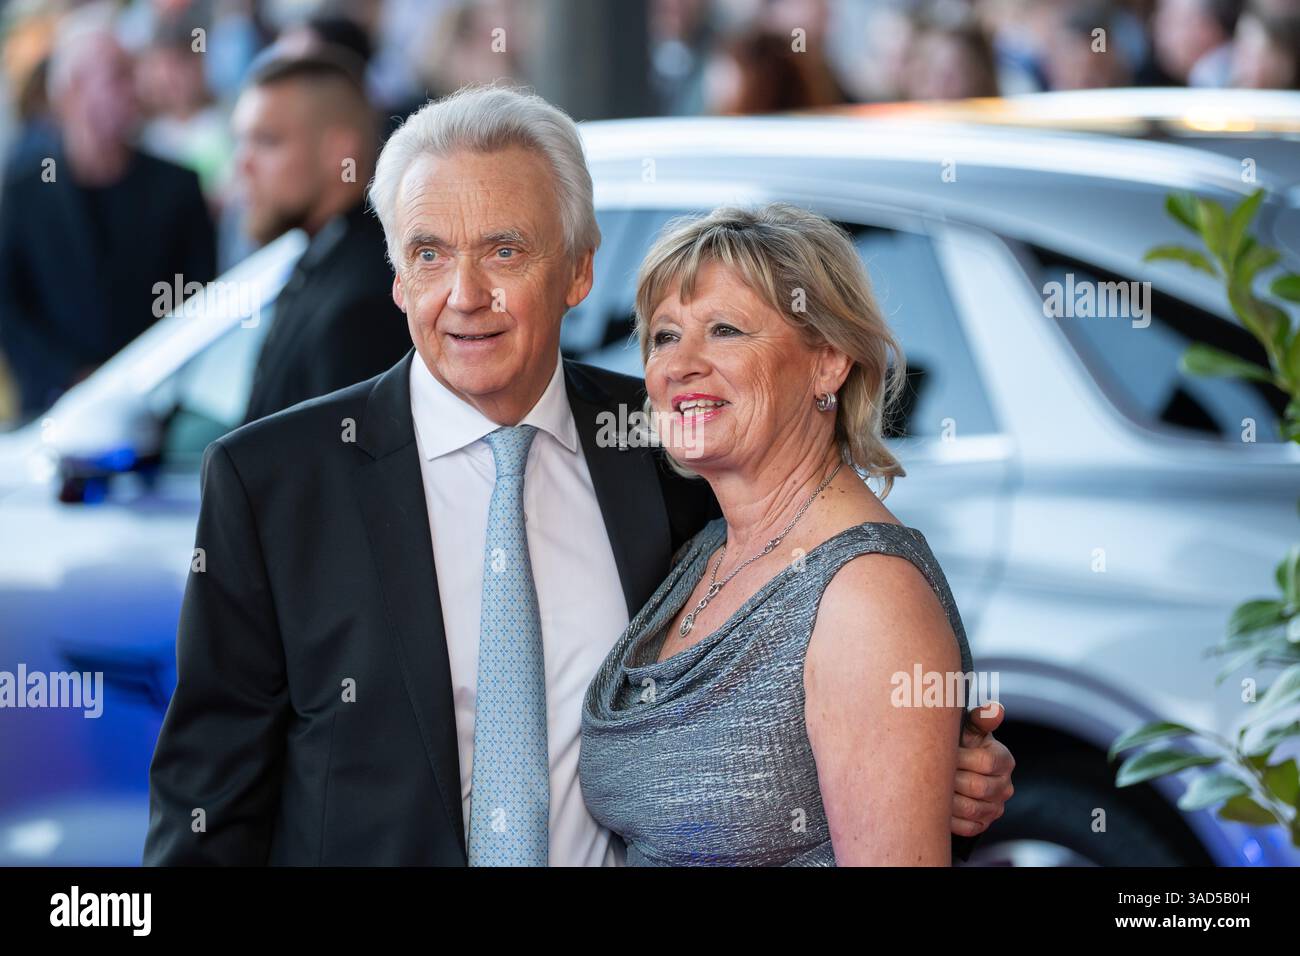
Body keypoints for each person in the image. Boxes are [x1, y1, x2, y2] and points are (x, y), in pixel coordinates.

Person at [143, 84, 1013, 866]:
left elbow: (810, 682)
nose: (465, 294)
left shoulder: (673, 451)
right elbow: (206, 806)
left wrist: (929, 753)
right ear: (399, 278)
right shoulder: (273, 484)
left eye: (507, 250)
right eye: (431, 254)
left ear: (580, 268)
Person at [580, 203, 983, 865]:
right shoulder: (705, 550)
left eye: (725, 330)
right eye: (664, 336)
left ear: (828, 362)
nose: (681, 365)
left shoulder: (867, 599)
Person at [0, 11, 215, 420]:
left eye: (132, 74)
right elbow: (9, 307)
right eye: (116, 76)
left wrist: (138, 379)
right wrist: (69, 376)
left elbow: (197, 302)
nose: (133, 89)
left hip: (154, 412)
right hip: (50, 413)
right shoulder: (23, 191)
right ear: (70, 93)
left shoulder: (178, 186)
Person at [233, 52, 411, 423]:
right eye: (241, 142)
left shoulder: (365, 299)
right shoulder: (321, 261)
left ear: (338, 151)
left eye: (267, 141)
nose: (242, 165)